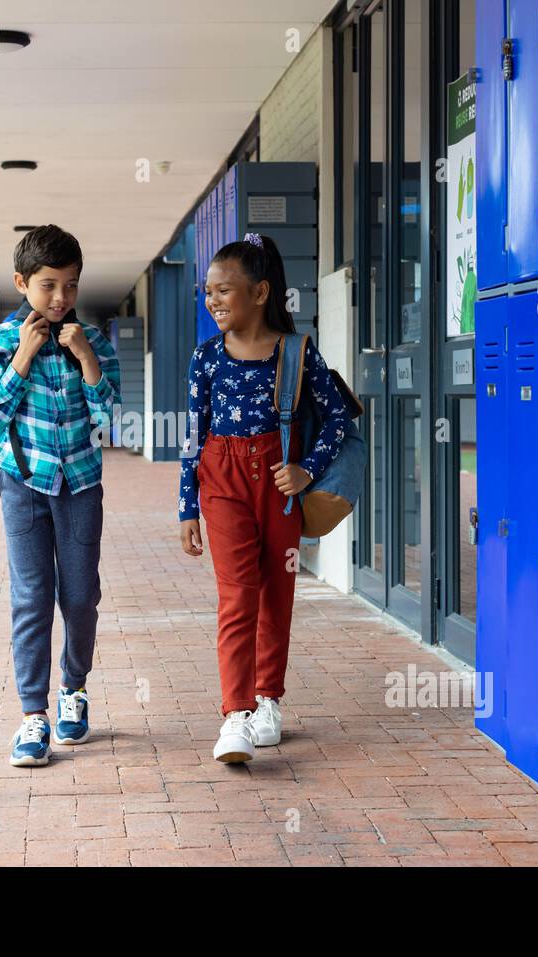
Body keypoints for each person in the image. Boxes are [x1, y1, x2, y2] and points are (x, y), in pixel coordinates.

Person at [178, 233, 349, 763]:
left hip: (277, 481)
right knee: (237, 593)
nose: (213, 301)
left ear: (259, 293)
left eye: (224, 291)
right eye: (208, 292)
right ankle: (235, 714)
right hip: (222, 481)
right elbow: (193, 433)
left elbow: (339, 417)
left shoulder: (295, 352)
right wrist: (187, 505)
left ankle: (268, 701)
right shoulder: (205, 359)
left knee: (277, 592)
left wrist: (306, 470)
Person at [0, 225, 121, 767]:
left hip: (81, 484)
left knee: (80, 596)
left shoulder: (95, 340)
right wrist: (24, 354)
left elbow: (109, 415)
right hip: (23, 484)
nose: (60, 298)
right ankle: (32, 716)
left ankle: (75, 688)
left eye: (71, 285)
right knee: (31, 598)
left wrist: (86, 358)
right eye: (48, 285)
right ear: (21, 282)